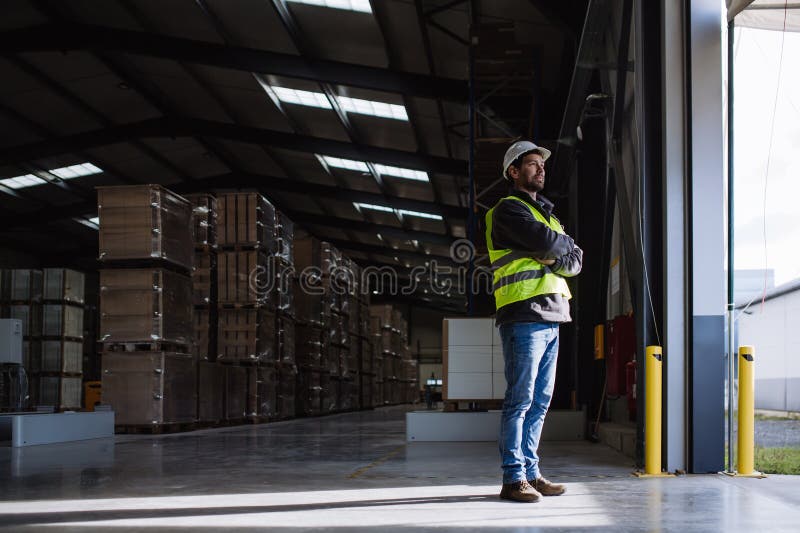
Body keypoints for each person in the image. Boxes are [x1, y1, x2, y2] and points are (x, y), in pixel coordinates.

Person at [485, 140, 583, 503]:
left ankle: (531, 472)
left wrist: (558, 251)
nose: (540, 168)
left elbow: (575, 260)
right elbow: (555, 250)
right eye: (531, 163)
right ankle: (513, 478)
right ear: (513, 172)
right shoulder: (508, 210)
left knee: (540, 402)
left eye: (541, 164)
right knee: (520, 400)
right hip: (523, 314)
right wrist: (558, 251)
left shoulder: (549, 215)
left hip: (552, 315)